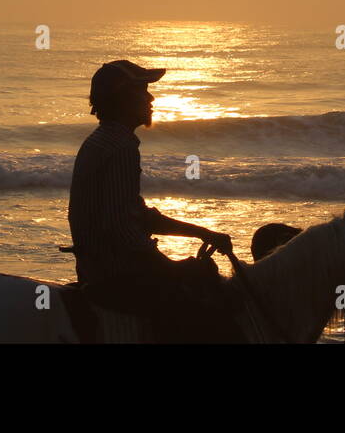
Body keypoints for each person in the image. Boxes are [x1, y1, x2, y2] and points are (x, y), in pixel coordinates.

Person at [67, 60, 237, 342]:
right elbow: (120, 227)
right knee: (205, 310)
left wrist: (202, 232)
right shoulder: (121, 146)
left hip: (95, 266)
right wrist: (166, 266)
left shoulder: (101, 140)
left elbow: (136, 215)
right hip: (117, 272)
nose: (151, 98)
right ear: (122, 99)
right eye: (141, 91)